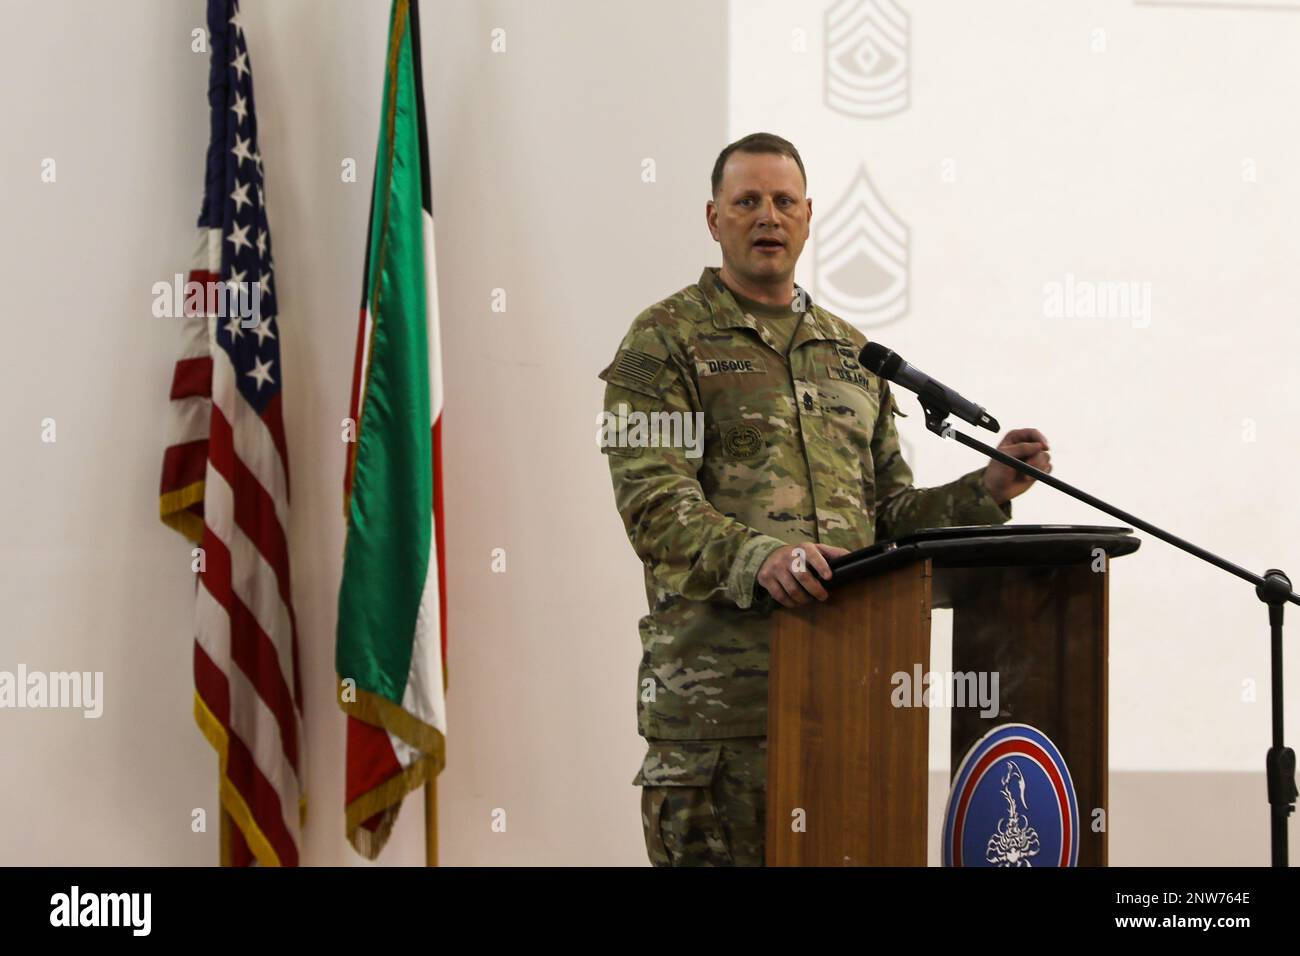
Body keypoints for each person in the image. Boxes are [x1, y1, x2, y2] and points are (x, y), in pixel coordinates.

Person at [598, 132, 1052, 866]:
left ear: (808, 217)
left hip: (849, 700)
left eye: (783, 202)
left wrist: (985, 489)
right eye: (747, 202)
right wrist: (763, 558)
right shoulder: (662, 343)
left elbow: (888, 521)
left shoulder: (852, 355)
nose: (767, 216)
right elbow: (654, 504)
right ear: (714, 219)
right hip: (724, 720)